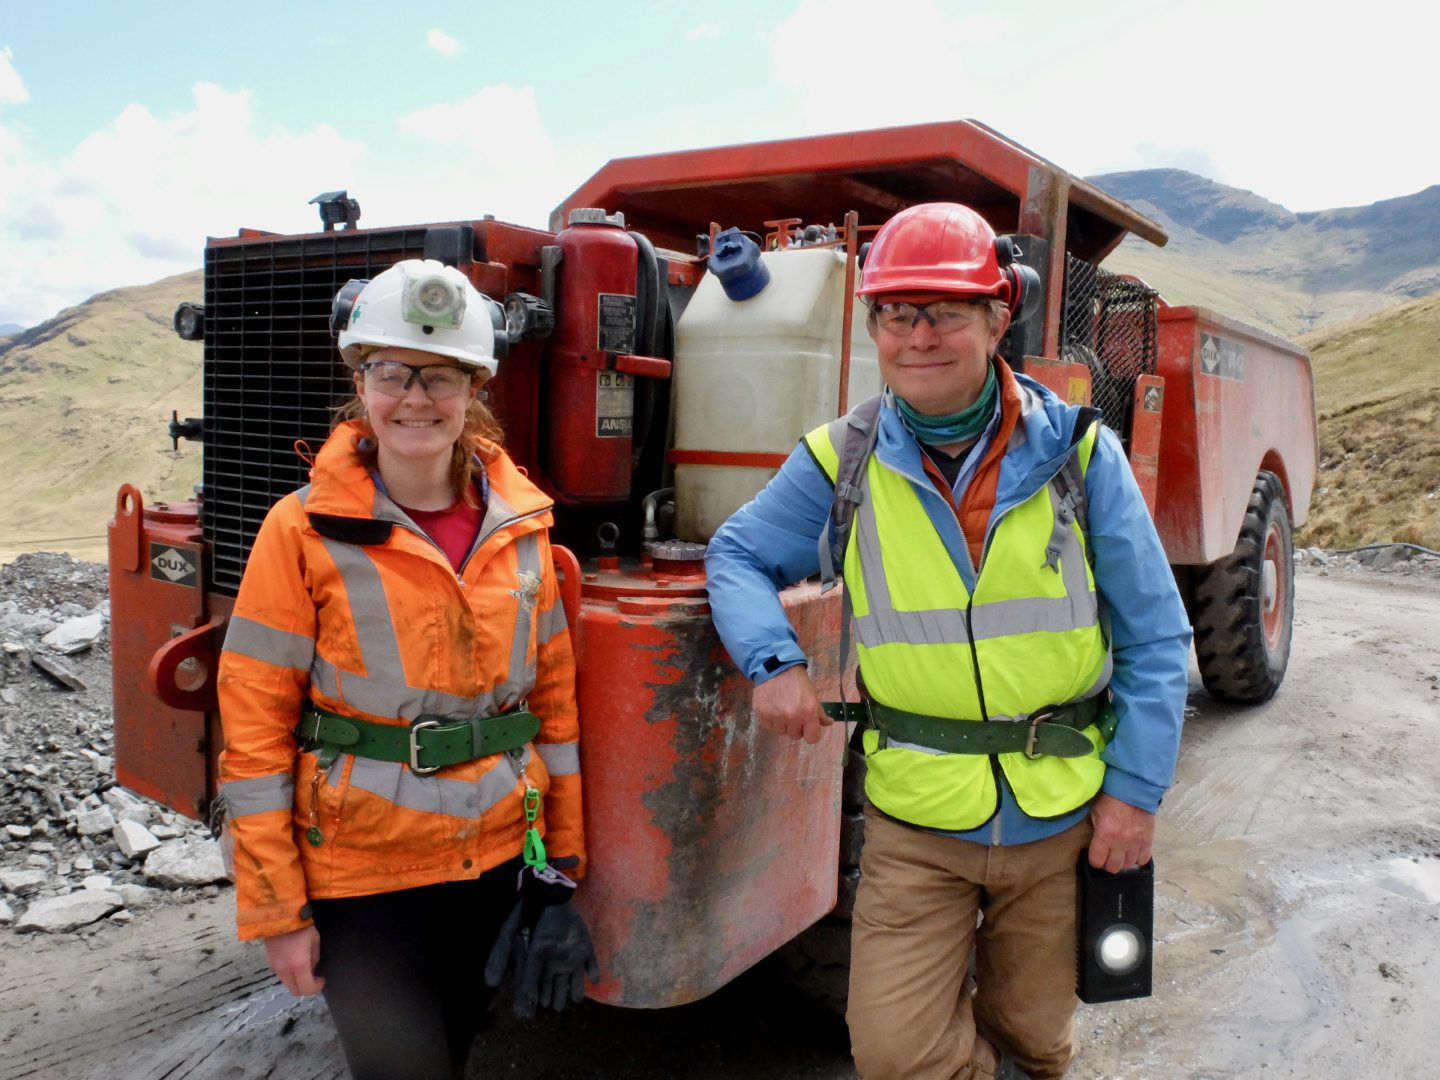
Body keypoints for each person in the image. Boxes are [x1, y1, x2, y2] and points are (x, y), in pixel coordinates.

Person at [705, 204, 1190, 1080]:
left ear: (997, 319)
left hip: (1061, 818)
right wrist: (772, 662)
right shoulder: (838, 461)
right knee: (894, 1052)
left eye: (947, 311)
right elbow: (736, 554)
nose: (919, 335)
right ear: (874, 327)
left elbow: (1157, 635)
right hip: (914, 821)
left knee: (1036, 1041)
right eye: (897, 312)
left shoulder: (1082, 457)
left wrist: (1136, 794)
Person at [216, 260, 596, 1080]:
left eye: (441, 375)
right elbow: (252, 735)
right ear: (361, 383)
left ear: (474, 388)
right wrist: (279, 910)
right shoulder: (300, 530)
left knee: (454, 1056)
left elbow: (553, 711)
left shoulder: (523, 526)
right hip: (363, 878)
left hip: (493, 861)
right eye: (392, 373)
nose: (416, 398)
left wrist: (559, 868)